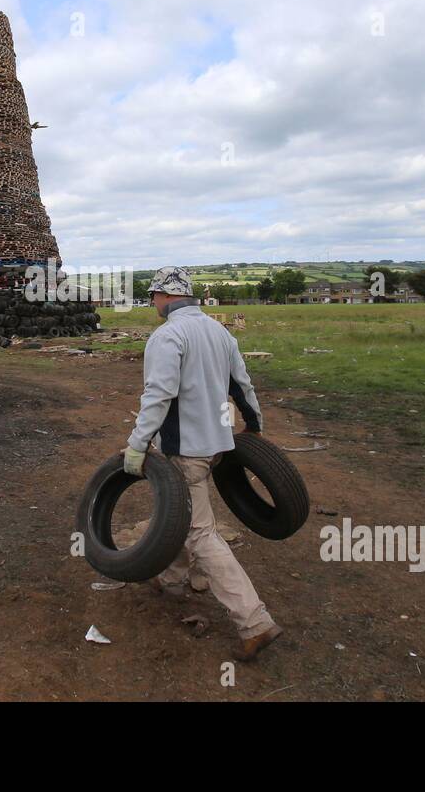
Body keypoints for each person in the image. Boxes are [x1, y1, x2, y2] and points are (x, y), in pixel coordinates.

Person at [124, 266, 282, 661]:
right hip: (217, 443)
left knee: (200, 532)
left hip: (186, 448)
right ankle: (172, 579)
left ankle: (254, 621)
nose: (152, 303)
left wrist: (137, 444)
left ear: (163, 296)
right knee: (179, 512)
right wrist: (255, 424)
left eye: (153, 296)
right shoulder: (219, 332)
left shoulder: (168, 335)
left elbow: (158, 394)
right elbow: (241, 384)